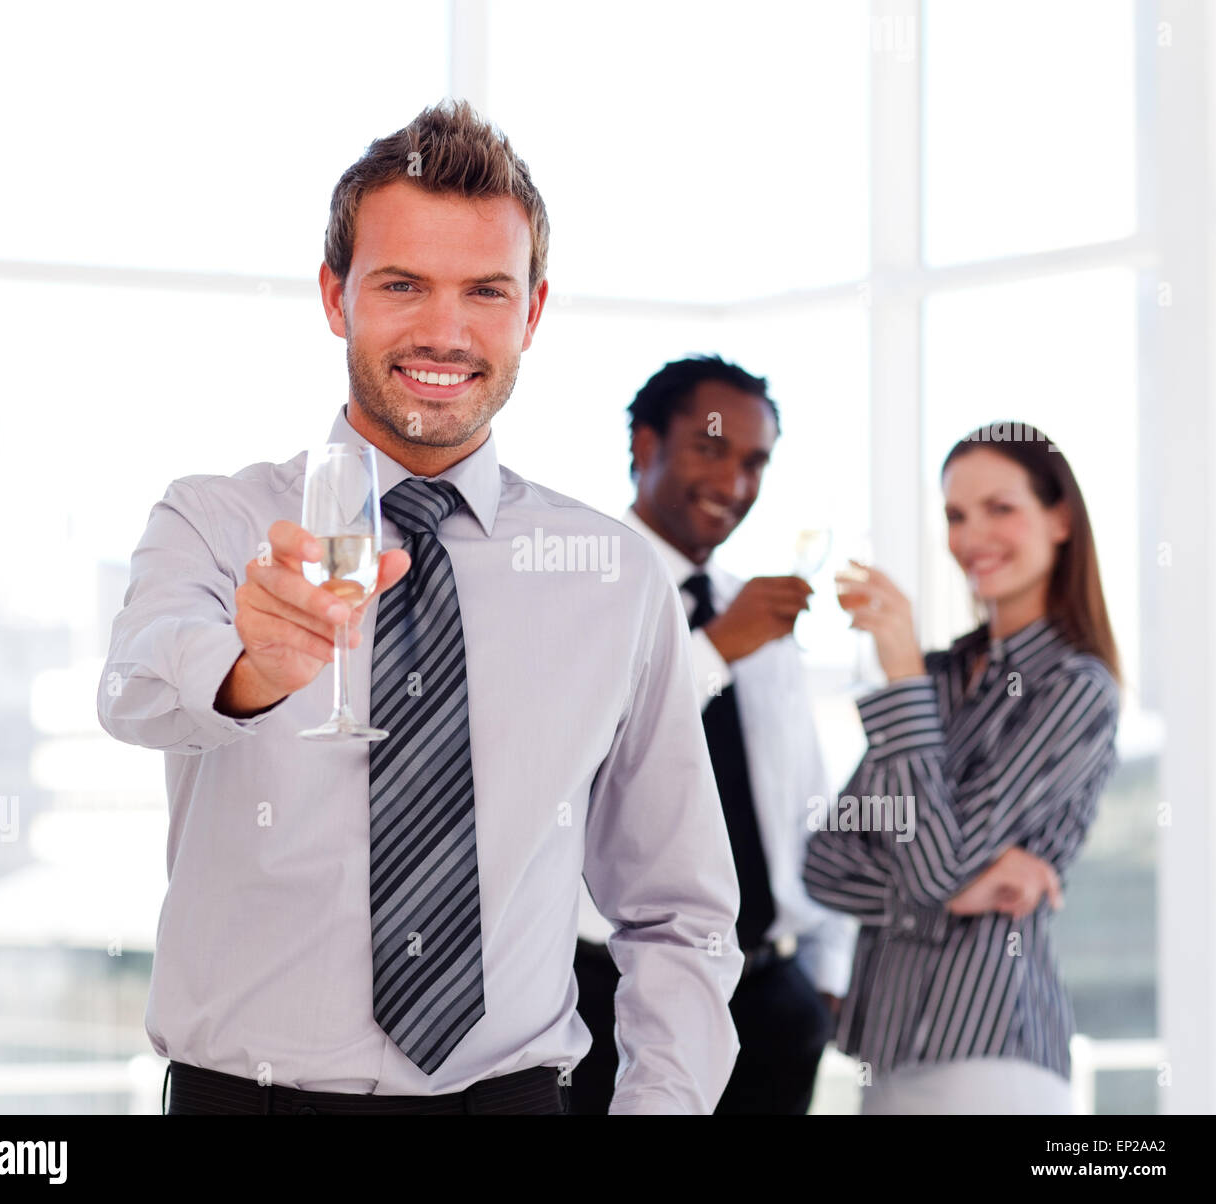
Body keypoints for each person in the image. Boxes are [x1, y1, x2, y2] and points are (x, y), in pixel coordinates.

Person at [97, 100, 744, 1116]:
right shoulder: (218, 521)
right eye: (401, 284)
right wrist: (252, 667)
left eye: (484, 291)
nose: (444, 331)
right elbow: (134, 687)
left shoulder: (612, 578)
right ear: (334, 295)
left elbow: (677, 908)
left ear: (530, 312)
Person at [802, 423, 1120, 1114]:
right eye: (955, 515)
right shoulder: (940, 680)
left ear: (1060, 518)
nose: (973, 536)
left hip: (992, 1055)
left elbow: (936, 865)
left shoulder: (1072, 688)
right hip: (884, 1052)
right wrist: (956, 893)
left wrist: (900, 674)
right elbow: (824, 862)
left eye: (1000, 508)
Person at [570, 355, 856, 1114]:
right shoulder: (577, 594)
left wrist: (824, 977)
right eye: (709, 448)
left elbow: (804, 802)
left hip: (771, 1003)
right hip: (610, 999)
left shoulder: (759, 617)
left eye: (754, 462)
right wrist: (715, 650)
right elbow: (575, 767)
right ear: (645, 446)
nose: (733, 484)